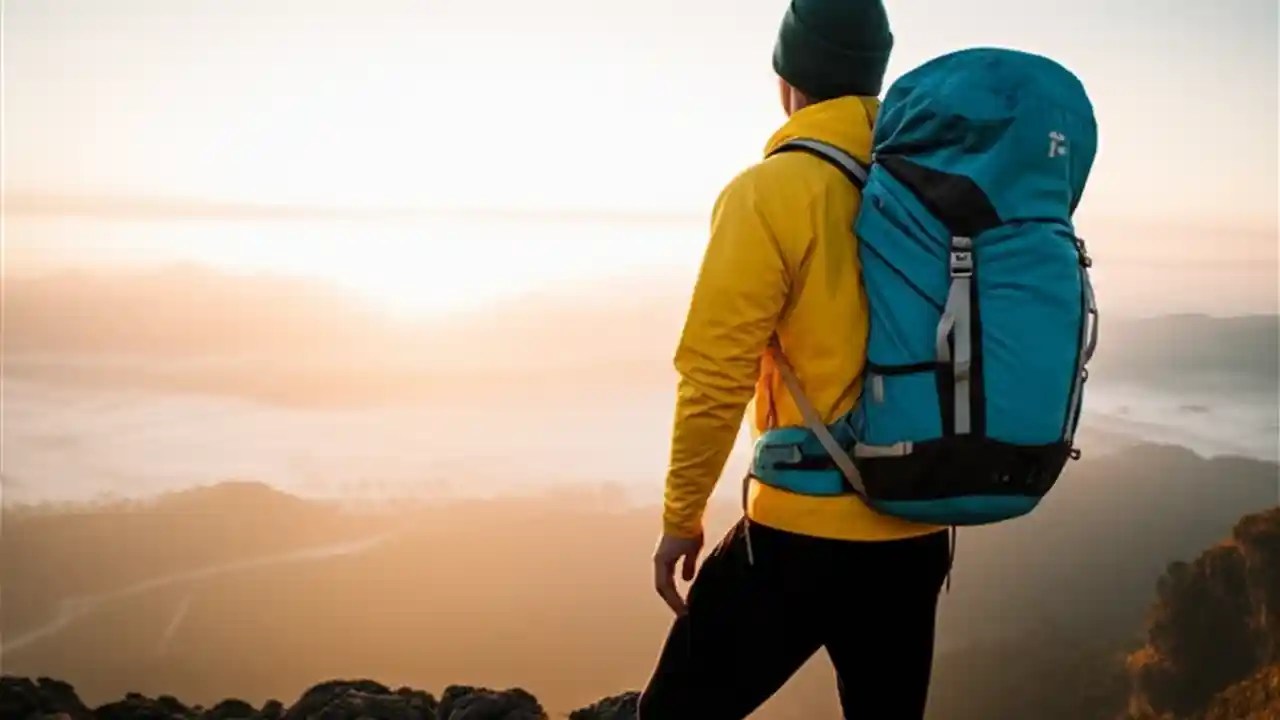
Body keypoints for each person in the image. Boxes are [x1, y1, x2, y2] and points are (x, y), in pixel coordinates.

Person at [638, 1, 952, 718]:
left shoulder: (770, 193)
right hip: (918, 527)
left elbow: (717, 375)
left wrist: (682, 517)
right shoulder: (936, 192)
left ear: (788, 78)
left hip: (800, 538)